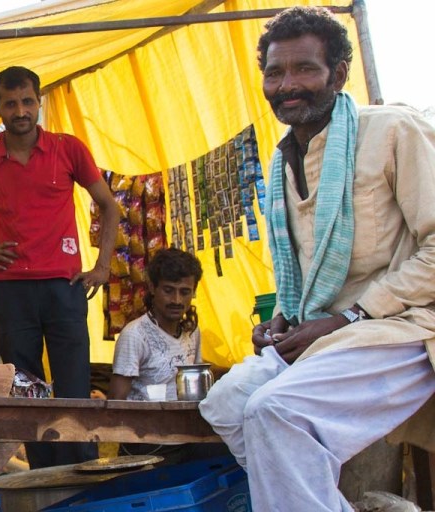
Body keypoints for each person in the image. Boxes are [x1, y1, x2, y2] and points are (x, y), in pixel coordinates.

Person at [198, 6, 435, 511]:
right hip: (326, 333)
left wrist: (349, 316)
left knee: (275, 412)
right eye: (275, 72)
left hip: (402, 326)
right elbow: (302, 272)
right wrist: (284, 316)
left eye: (305, 68)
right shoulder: (282, 160)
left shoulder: (392, 130)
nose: (288, 85)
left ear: (339, 75)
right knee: (226, 402)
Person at [0, 66, 119, 469]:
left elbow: (109, 206)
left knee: (73, 386)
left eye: (27, 101)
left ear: (39, 102)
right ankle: (45, 474)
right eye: (10, 103)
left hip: (65, 285)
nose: (20, 110)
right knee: (26, 388)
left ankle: (82, 472)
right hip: (13, 291)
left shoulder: (68, 149)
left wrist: (102, 267)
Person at [109, 248, 203, 402]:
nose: (177, 300)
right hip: (143, 424)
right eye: (168, 291)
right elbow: (115, 402)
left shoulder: (192, 331)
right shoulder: (135, 335)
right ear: (152, 288)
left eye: (185, 292)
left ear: (193, 292)